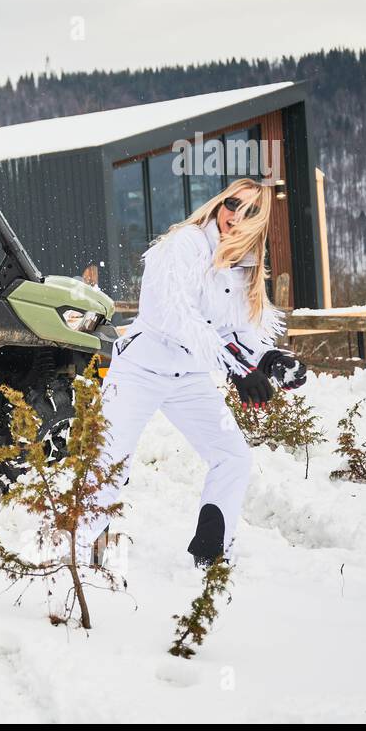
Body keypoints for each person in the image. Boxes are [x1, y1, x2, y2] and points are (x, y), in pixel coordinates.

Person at [85, 178, 308, 567]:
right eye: (232, 203)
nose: (235, 215)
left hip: (188, 378)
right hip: (140, 369)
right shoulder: (184, 245)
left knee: (232, 456)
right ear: (219, 203)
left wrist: (270, 359)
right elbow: (178, 318)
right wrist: (236, 371)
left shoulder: (243, 265)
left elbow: (237, 329)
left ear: (261, 221)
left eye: (250, 210)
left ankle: (210, 554)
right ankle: (76, 553)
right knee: (109, 460)